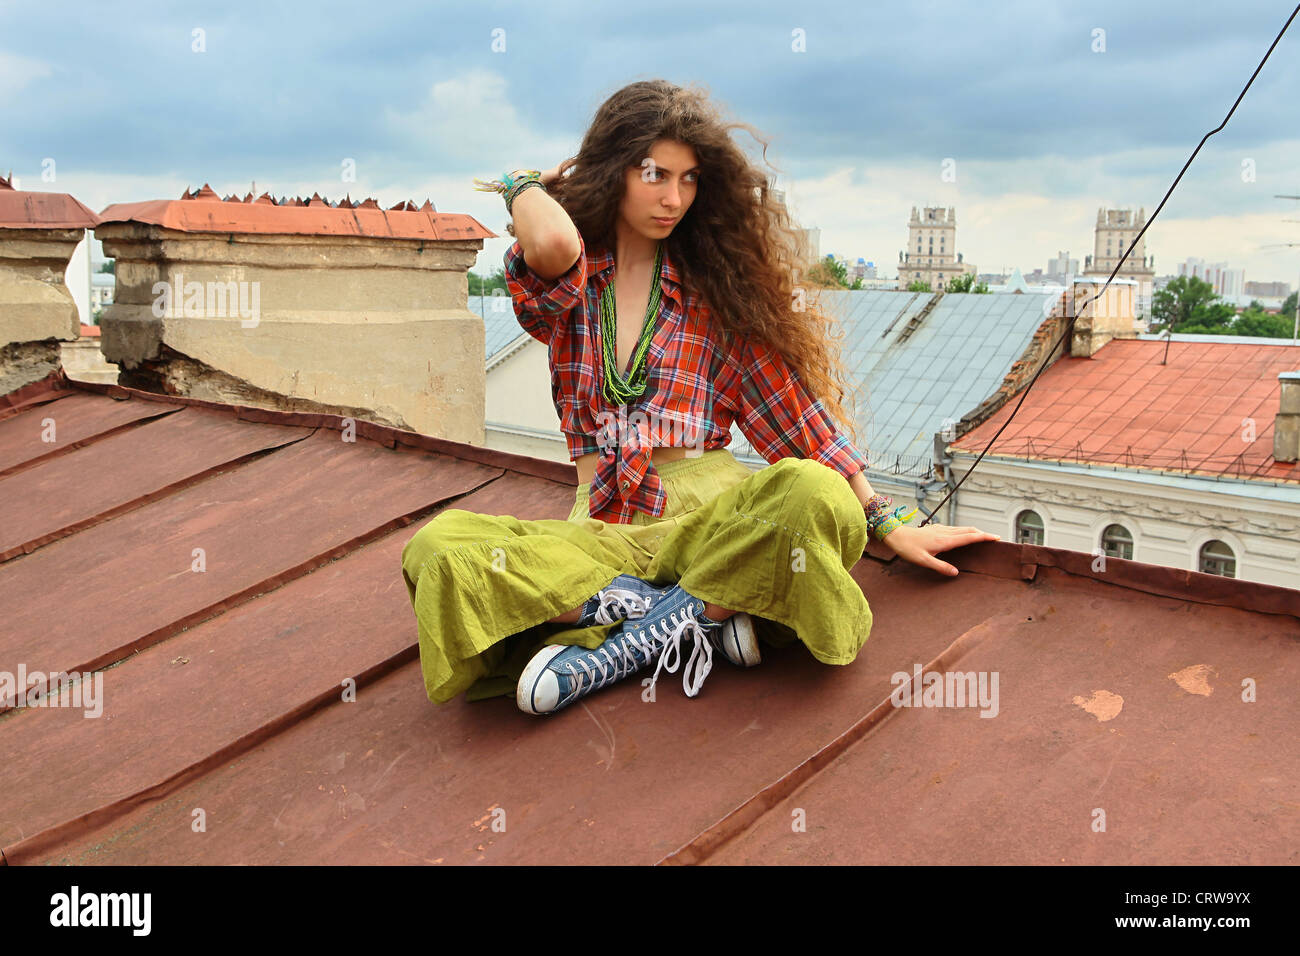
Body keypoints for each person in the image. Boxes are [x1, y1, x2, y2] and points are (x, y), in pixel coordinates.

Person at [400, 79, 999, 717]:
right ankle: (692, 615)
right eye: (655, 174)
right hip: (604, 533)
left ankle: (627, 644)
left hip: (710, 521)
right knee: (439, 550)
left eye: (688, 180)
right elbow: (551, 244)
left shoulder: (717, 298)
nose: (673, 198)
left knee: (812, 495)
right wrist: (523, 185)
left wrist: (884, 522)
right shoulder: (572, 287)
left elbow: (803, 427)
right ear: (614, 171)